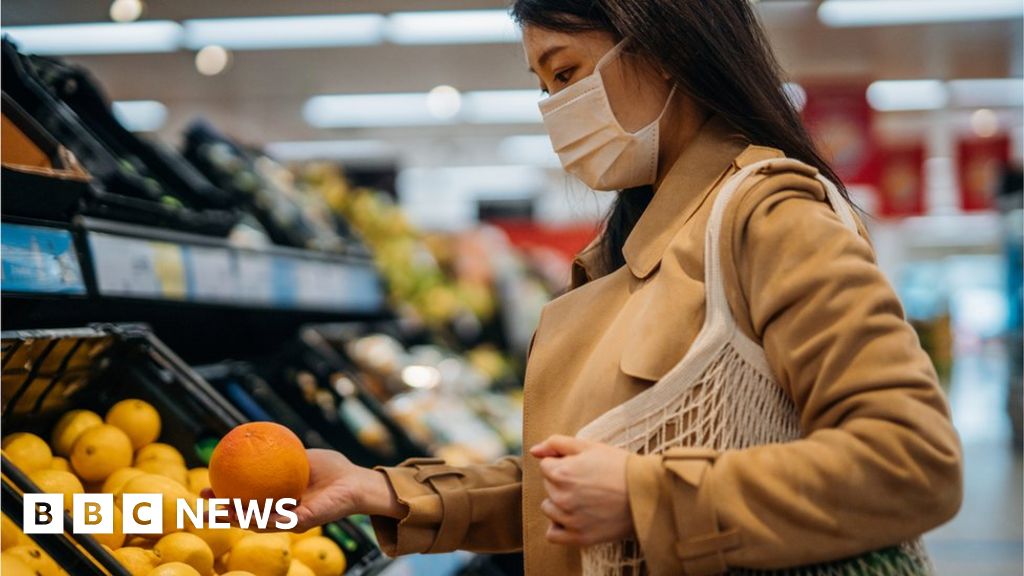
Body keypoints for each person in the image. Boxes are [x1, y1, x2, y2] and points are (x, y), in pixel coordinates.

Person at [271, 1, 964, 574]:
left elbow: (910, 461)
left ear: (664, 46)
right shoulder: (619, 252)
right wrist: (388, 492)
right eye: (543, 85)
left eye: (567, 72)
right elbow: (574, 490)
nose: (554, 109)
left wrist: (646, 497)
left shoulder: (771, 217)